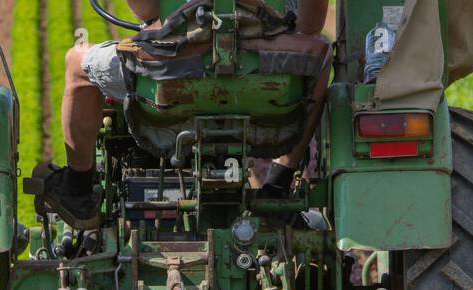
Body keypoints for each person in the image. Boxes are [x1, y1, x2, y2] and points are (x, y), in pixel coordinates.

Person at [31, 0, 331, 227]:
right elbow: (311, 25)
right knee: (321, 54)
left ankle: (79, 191)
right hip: (266, 85)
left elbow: (146, 9)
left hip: (171, 80)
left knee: (76, 63)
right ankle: (278, 185)